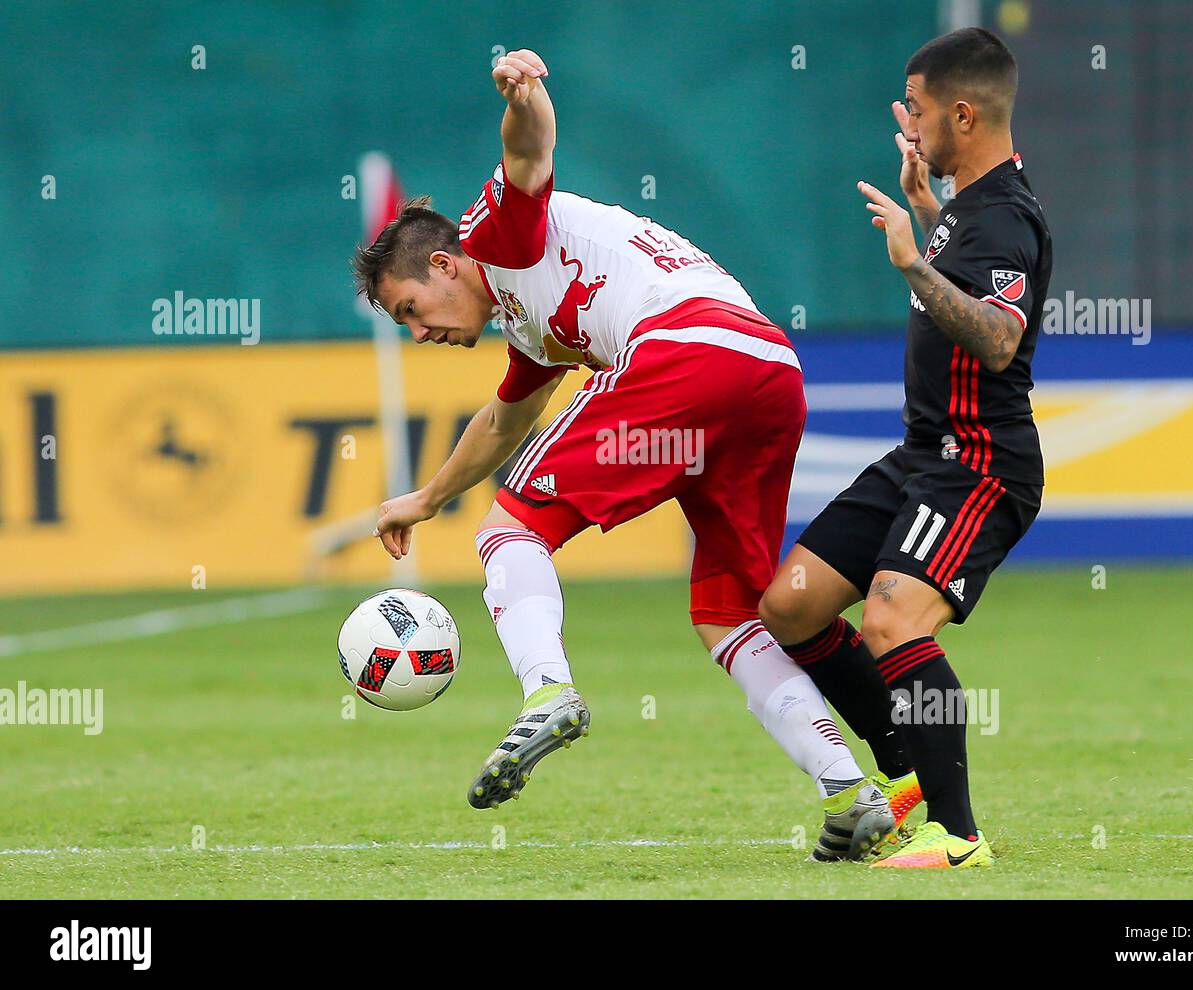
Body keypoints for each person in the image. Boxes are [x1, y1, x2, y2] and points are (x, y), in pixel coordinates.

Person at [354, 49, 893, 860]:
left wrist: (526, 93)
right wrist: (426, 497)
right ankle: (852, 793)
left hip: (687, 354)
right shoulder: (527, 319)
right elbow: (504, 422)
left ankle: (547, 693)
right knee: (727, 612)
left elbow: (529, 150)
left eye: (411, 310)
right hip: (767, 376)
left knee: (510, 530)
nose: (423, 333)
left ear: (441, 264)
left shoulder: (490, 234)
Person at [760, 27, 1053, 868]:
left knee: (891, 617)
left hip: (980, 464)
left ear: (964, 112)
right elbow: (968, 280)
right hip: (923, 455)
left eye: (919, 110)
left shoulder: (1004, 216)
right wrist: (929, 212)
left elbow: (997, 339)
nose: (909, 123)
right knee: (791, 605)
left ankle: (959, 837)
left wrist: (914, 267)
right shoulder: (968, 206)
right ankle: (905, 771)